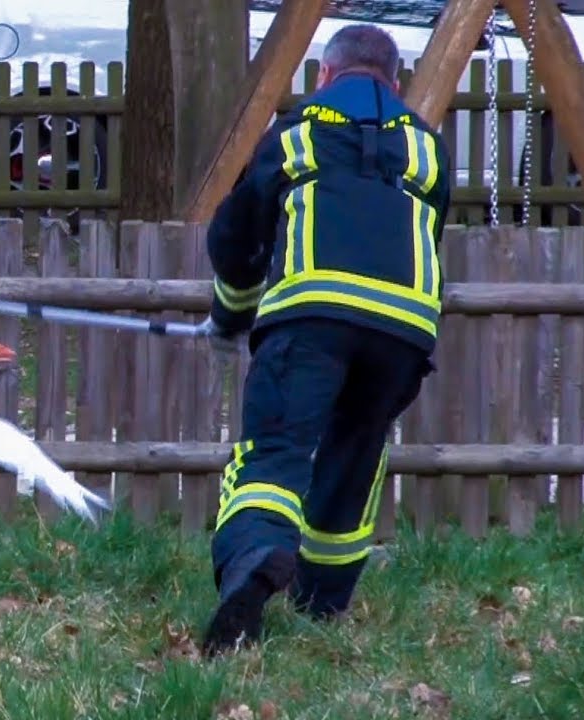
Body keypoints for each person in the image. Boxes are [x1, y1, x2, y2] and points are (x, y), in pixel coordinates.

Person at [195, 23, 453, 656]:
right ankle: (323, 602)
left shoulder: (296, 135)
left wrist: (229, 318)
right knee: (355, 454)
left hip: (310, 317)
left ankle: (253, 560)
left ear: (324, 77)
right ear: (394, 84)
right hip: (404, 331)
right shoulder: (428, 148)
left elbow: (237, 238)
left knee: (276, 453)